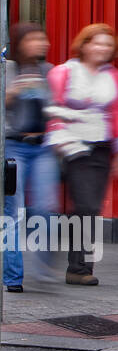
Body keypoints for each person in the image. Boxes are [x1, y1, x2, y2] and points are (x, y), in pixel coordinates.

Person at [44, 23, 118, 286]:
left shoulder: (115, 77)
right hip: (68, 145)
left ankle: (78, 268)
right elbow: (54, 108)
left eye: (108, 45)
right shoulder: (63, 72)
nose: (102, 48)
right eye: (97, 43)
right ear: (84, 44)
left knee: (89, 208)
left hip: (100, 148)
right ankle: (68, 265)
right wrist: (60, 140)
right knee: (74, 207)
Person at [3, 23, 59, 292]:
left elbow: (57, 109)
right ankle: (13, 277)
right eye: (34, 39)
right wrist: (13, 92)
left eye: (43, 39)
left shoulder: (48, 71)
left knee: (46, 208)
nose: (41, 44)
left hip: (43, 145)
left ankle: (44, 266)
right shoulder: (8, 69)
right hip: (13, 145)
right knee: (11, 212)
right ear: (20, 42)